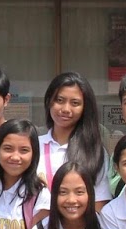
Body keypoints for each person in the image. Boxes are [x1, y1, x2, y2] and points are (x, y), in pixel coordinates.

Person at [40, 71, 112, 201]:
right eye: (59, 100)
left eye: (75, 103)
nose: (66, 109)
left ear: (85, 108)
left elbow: (100, 203)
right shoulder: (33, 146)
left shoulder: (94, 151)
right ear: (49, 101)